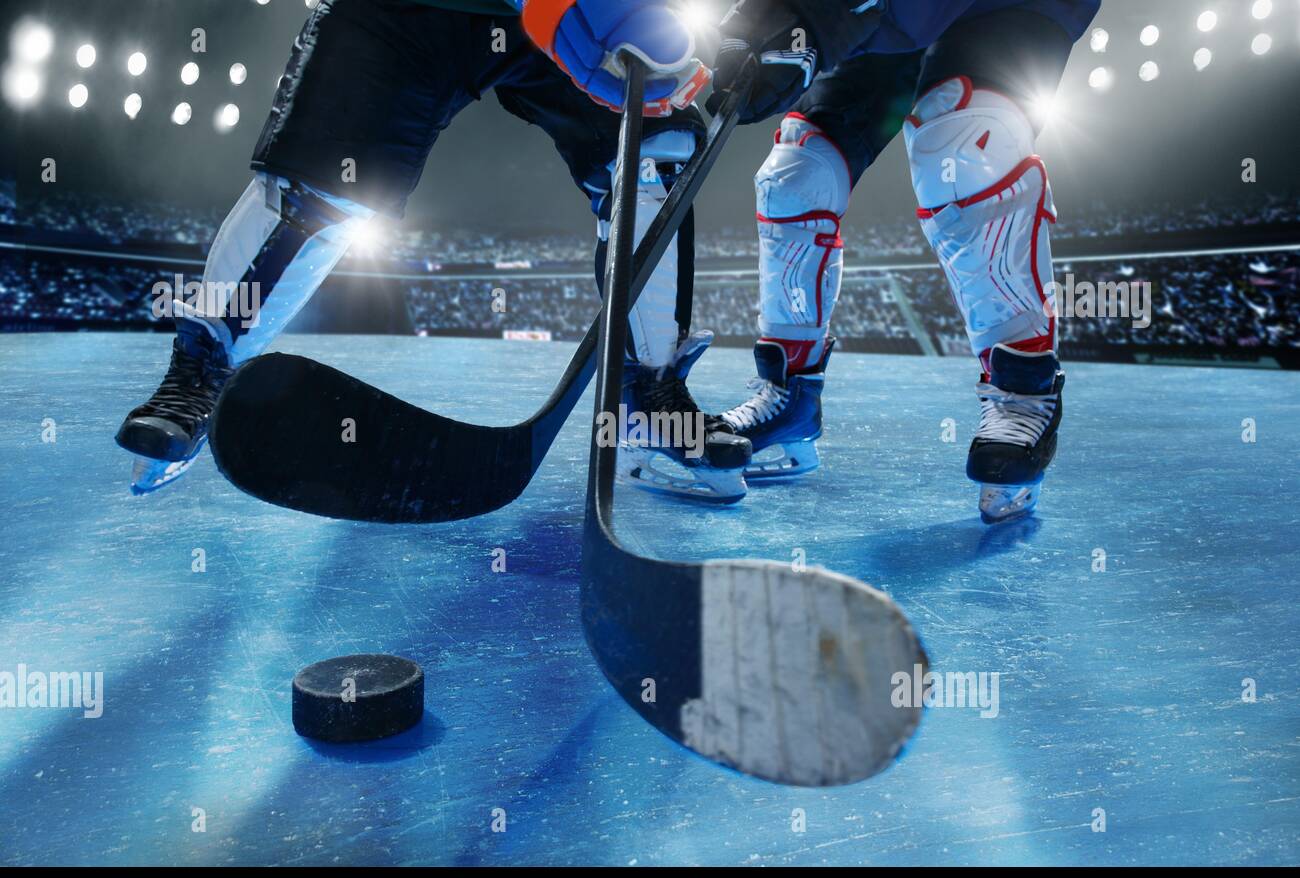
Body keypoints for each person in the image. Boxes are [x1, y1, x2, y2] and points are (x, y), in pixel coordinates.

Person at [115, 0, 751, 503]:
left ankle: (651, 395)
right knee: (319, 189)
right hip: (409, 8)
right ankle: (202, 371)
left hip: (566, 12)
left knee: (655, 158)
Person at [708, 0, 1100, 522]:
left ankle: (1023, 392)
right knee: (798, 170)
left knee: (965, 141)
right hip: (889, 14)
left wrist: (809, 16)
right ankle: (790, 395)